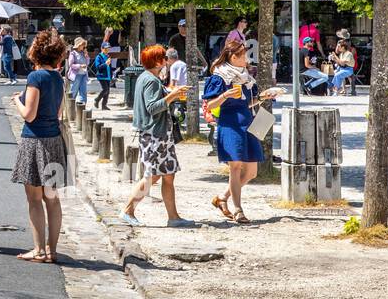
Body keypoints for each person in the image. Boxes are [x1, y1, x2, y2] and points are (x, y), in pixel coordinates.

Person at [12, 28, 69, 262]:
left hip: (34, 140)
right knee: (52, 199)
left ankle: (39, 249)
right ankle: (52, 250)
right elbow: (58, 112)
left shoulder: (36, 77)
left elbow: (29, 114)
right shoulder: (58, 77)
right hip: (54, 140)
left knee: (35, 199)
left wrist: (17, 100)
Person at [120, 45, 193, 227]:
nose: (166, 61)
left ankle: (173, 217)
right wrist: (172, 95)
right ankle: (127, 210)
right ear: (158, 61)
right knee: (151, 176)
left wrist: (169, 93)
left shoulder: (146, 78)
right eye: (164, 58)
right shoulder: (151, 81)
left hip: (158, 135)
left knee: (168, 175)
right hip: (156, 135)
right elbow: (152, 107)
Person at [203, 40, 273, 224]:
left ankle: (222, 198)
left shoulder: (247, 78)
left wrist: (264, 97)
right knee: (235, 167)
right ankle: (238, 210)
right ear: (231, 57)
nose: (245, 59)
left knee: (251, 172)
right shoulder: (220, 77)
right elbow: (210, 105)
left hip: (247, 122)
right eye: (241, 55)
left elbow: (247, 103)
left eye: (245, 55)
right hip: (230, 123)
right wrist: (224, 95)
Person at [65, 37, 89, 104]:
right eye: (82, 45)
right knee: (73, 91)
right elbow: (71, 65)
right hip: (76, 75)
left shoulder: (83, 53)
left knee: (83, 92)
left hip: (84, 75)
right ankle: (70, 107)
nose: (84, 46)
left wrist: (86, 56)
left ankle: (82, 107)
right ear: (78, 45)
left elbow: (87, 63)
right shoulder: (73, 53)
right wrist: (80, 66)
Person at [91, 41, 114, 109]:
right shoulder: (99, 57)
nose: (107, 50)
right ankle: (97, 99)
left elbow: (109, 67)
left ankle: (104, 105)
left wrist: (112, 74)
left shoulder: (108, 56)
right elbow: (98, 67)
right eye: (105, 49)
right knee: (105, 89)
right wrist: (105, 64)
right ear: (102, 49)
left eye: (108, 49)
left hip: (108, 76)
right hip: (101, 76)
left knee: (107, 91)